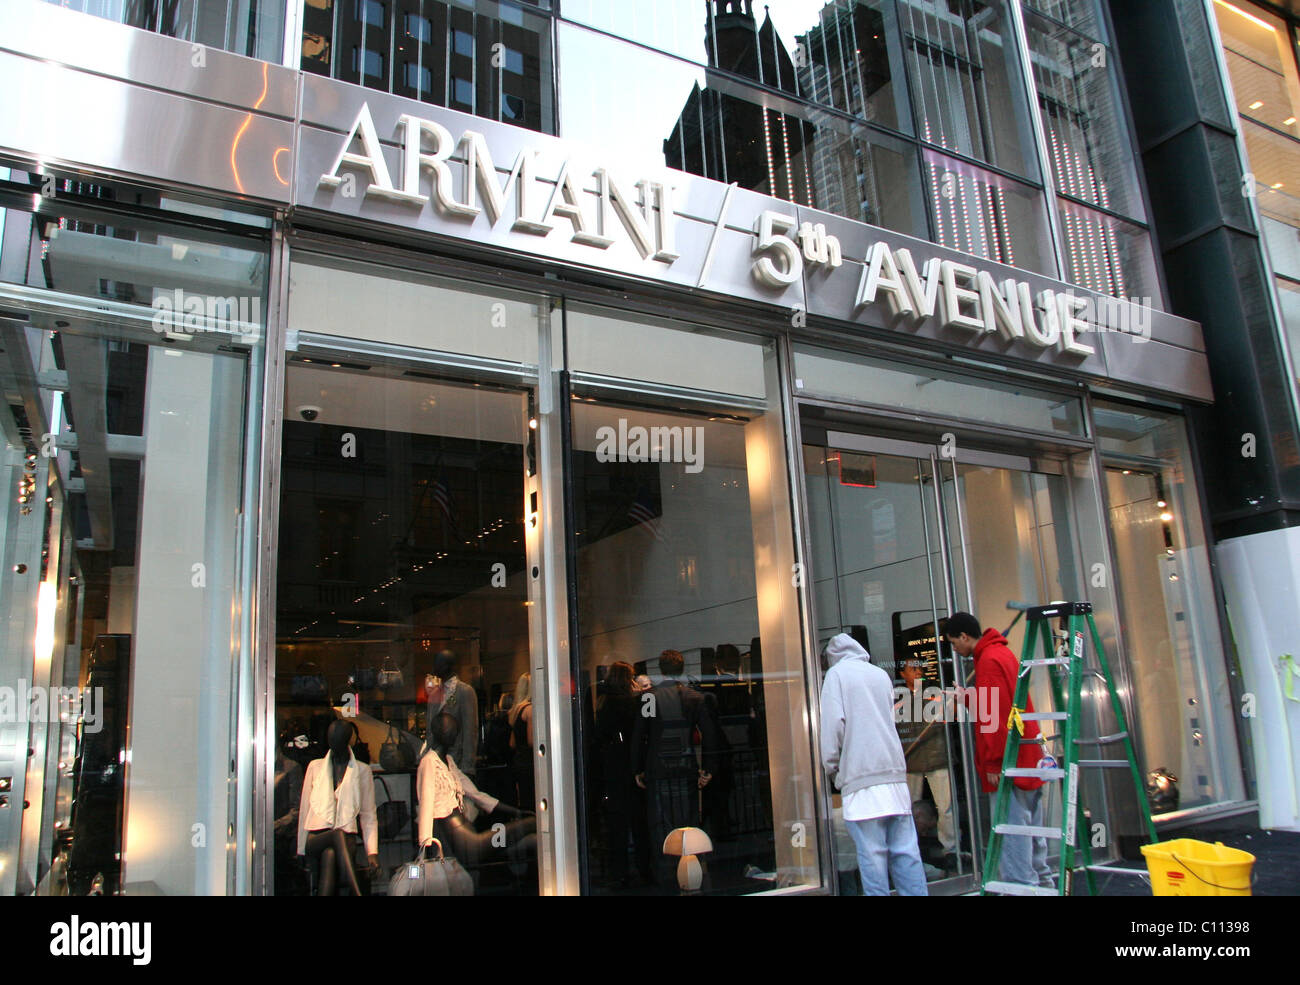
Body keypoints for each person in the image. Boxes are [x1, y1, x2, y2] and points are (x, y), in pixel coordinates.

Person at [944, 611, 1055, 890]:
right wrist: (967, 698)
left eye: (953, 643)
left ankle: (1022, 890)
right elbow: (999, 706)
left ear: (964, 636)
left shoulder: (989, 662)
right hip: (1028, 754)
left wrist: (994, 763)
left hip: (1011, 760)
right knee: (1033, 834)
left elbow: (994, 718)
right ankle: (1043, 886)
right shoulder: (1001, 654)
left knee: (1014, 836)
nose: (954, 650)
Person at [819, 633, 927, 896]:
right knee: (906, 854)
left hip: (861, 780)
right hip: (893, 777)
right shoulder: (879, 674)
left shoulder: (836, 676)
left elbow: (833, 726)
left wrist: (831, 765)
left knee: (872, 859)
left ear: (831, 658)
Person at [632, 649, 719, 891]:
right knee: (689, 820)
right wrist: (708, 768)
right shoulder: (694, 697)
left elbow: (641, 735)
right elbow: (709, 734)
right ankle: (691, 873)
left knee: (660, 822)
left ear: (660, 670)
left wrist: (637, 768)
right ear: (681, 669)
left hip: (657, 768)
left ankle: (666, 875)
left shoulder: (649, 697)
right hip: (686, 766)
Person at [896, 656, 958, 871]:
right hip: (911, 761)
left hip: (936, 756)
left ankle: (950, 848)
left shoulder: (936, 696)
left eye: (920, 669)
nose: (918, 672)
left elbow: (951, 716)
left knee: (946, 807)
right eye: (912, 669)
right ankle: (910, 848)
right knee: (907, 809)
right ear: (903, 675)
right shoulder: (898, 700)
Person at [595, 660, 651, 887]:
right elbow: (640, 729)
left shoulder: (604, 702)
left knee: (617, 825)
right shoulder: (630, 703)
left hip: (612, 768)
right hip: (630, 766)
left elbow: (600, 736)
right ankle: (644, 869)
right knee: (639, 822)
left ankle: (619, 872)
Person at [426, 650, 478, 776]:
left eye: (438, 664)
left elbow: (470, 730)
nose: (435, 668)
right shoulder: (434, 694)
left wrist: (468, 767)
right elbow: (430, 730)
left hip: (457, 762)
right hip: (437, 763)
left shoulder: (464, 691)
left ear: (447, 666)